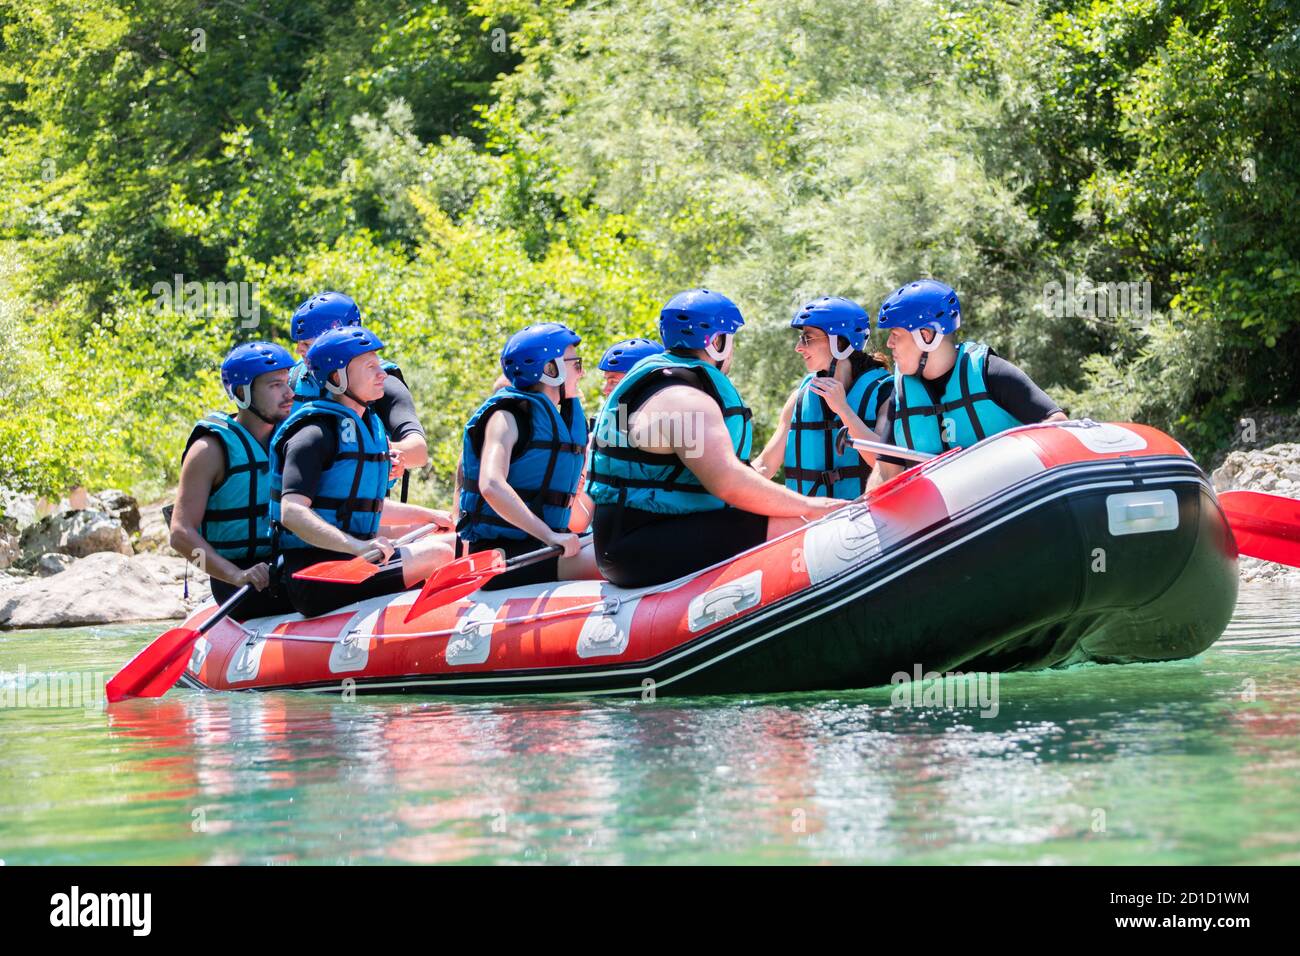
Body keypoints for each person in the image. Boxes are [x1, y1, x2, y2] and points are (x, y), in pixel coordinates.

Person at [587, 289, 842, 588]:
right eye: (730, 338)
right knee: (804, 522)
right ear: (717, 342)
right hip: (643, 544)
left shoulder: (657, 386)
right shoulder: (685, 399)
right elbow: (728, 482)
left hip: (625, 538)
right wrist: (812, 506)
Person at [269, 327, 457, 617]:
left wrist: (428, 515)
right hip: (317, 576)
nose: (382, 373)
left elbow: (359, 506)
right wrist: (356, 546)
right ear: (337, 377)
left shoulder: (368, 427)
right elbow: (292, 513)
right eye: (370, 366)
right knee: (439, 553)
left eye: (378, 364)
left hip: (354, 561)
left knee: (456, 541)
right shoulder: (312, 435)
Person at [869, 279, 1067, 486]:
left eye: (895, 335)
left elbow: (1058, 423)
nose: (889, 344)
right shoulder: (902, 393)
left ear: (925, 336)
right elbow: (884, 472)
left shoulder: (990, 372)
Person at [457, 323, 600, 589]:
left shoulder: (563, 419)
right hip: (502, 554)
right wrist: (549, 536)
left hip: (543, 546)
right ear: (550, 369)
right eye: (576, 364)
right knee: (606, 561)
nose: (581, 373)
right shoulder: (507, 418)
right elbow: (491, 485)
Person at [171, 342, 298, 618]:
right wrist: (236, 575)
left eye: (287, 383)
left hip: (288, 564)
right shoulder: (210, 449)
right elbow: (180, 535)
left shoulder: (296, 437)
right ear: (243, 392)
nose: (289, 393)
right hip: (240, 585)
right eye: (275, 385)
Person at [287, 291, 432, 513]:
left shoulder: (381, 381)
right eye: (299, 343)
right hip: (298, 504)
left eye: (307, 343)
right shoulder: (291, 379)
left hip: (364, 512)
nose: (299, 350)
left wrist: (384, 453)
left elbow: (419, 451)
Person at [751, 296, 893, 499]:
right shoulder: (799, 399)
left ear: (840, 342)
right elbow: (765, 465)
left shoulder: (884, 393)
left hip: (864, 519)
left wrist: (843, 410)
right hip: (812, 523)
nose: (798, 347)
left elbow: (885, 464)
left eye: (807, 338)